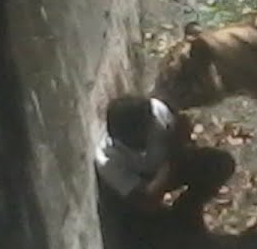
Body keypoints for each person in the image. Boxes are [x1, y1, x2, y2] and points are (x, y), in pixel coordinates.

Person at [93, 94, 235, 240]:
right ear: (119, 136)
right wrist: (171, 160)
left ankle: (187, 208)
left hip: (168, 164)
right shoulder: (107, 160)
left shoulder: (157, 112)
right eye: (140, 133)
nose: (149, 133)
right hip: (143, 188)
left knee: (220, 164)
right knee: (144, 228)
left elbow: (183, 131)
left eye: (148, 127)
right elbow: (146, 202)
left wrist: (183, 138)